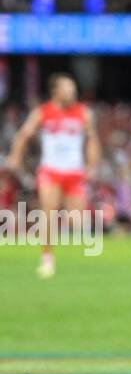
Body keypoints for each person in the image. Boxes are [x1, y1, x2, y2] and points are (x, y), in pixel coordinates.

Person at [6, 73, 101, 278]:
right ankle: (47, 258)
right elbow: (24, 134)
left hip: (74, 173)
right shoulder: (42, 113)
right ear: (55, 91)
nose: (72, 92)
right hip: (51, 171)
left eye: (73, 88)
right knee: (48, 214)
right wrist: (15, 155)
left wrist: (92, 165)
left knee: (78, 222)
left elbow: (92, 140)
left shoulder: (83, 113)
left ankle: (74, 258)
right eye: (67, 88)